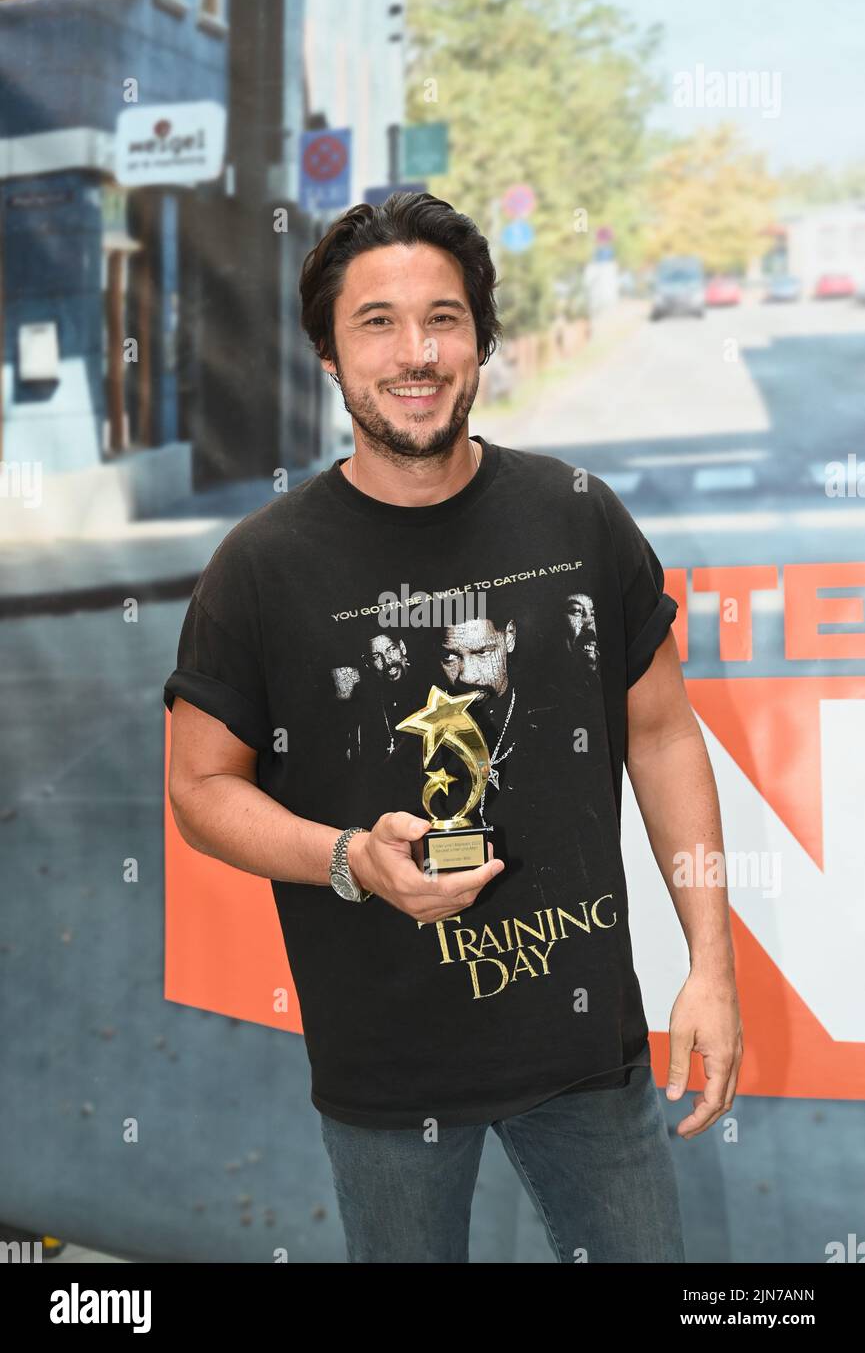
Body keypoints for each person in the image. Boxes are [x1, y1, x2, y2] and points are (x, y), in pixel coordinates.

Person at [164, 191, 743, 1264]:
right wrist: (346, 858)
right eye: (375, 322)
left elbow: (662, 736)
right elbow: (199, 789)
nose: (415, 352)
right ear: (329, 359)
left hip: (583, 1048)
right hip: (387, 1070)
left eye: (443, 318)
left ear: (481, 341)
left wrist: (710, 964)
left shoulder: (577, 515)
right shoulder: (260, 567)